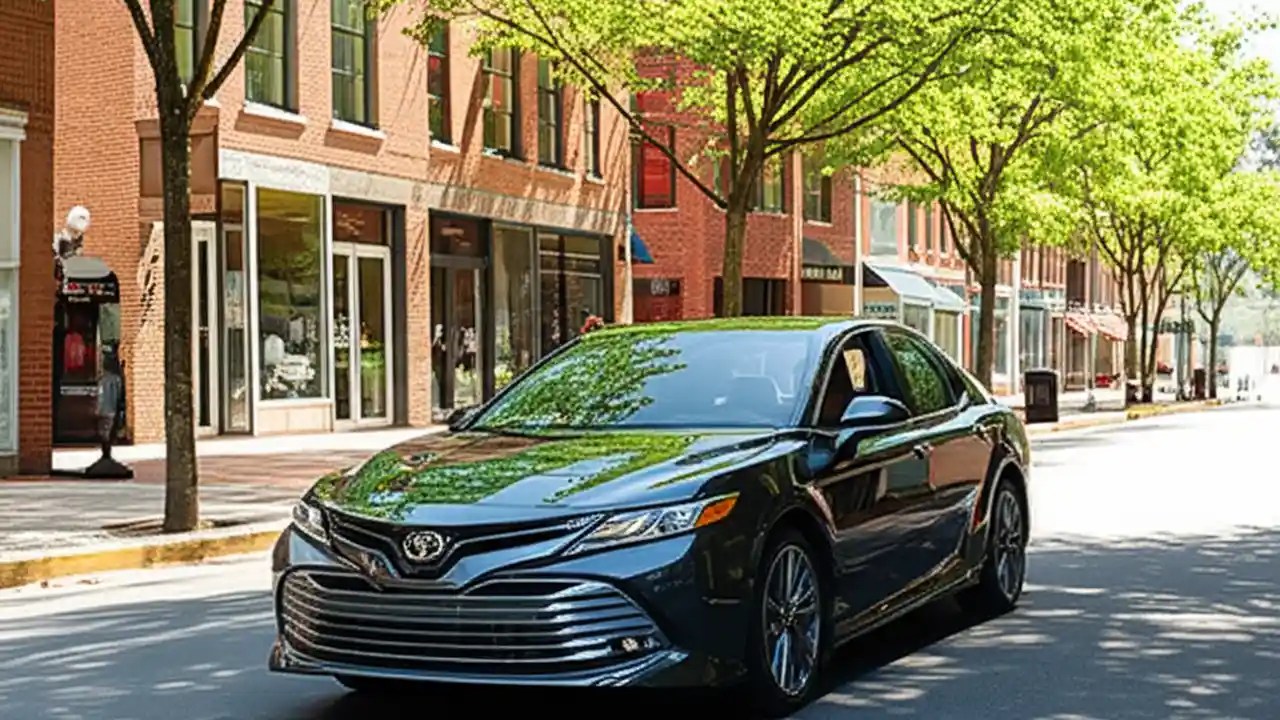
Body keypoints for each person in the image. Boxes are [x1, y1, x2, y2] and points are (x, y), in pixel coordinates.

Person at [97, 345, 123, 458]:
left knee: (104, 432)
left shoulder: (103, 379)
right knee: (109, 431)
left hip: (105, 410)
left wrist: (98, 408)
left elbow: (101, 394)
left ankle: (106, 452)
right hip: (112, 409)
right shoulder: (117, 379)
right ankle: (107, 452)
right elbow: (119, 394)